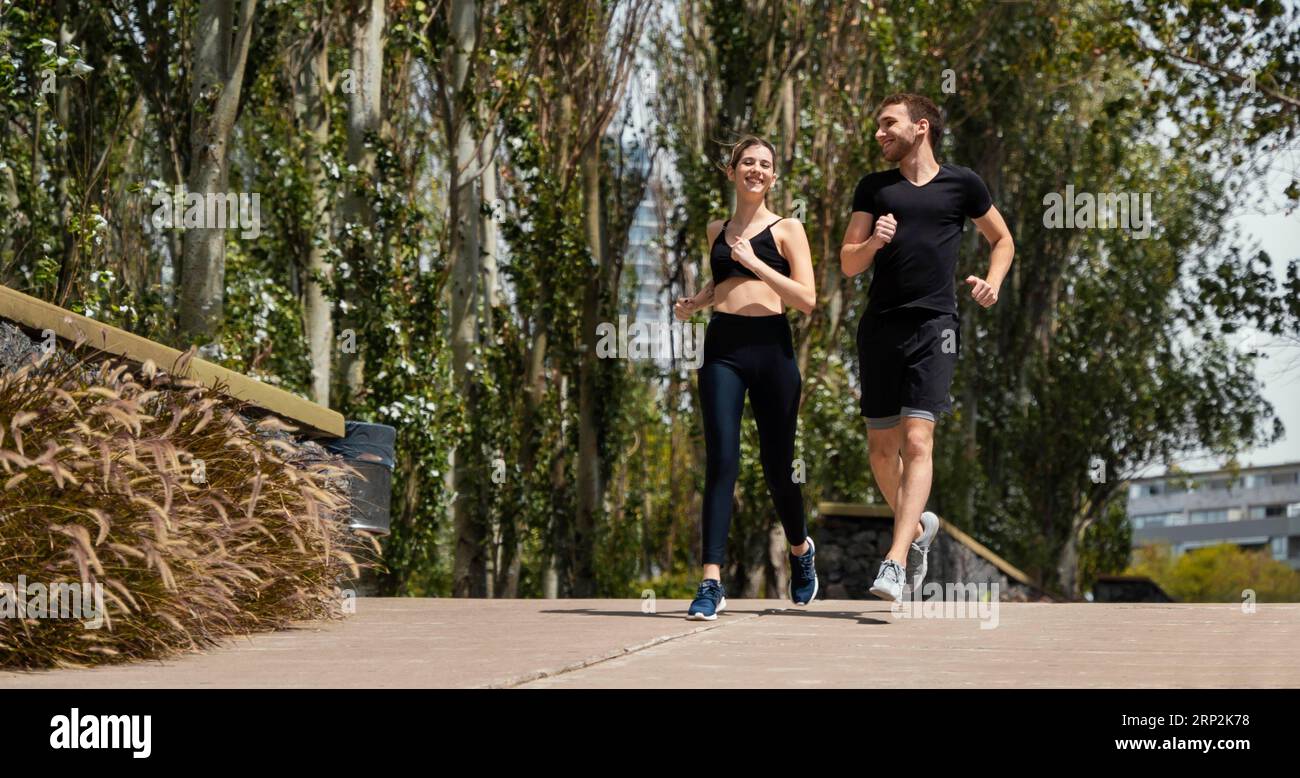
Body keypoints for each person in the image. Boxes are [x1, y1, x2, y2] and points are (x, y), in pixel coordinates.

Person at [839, 94, 1015, 601]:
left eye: (887, 123)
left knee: (918, 441)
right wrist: (873, 242)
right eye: (877, 124)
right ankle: (915, 530)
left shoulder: (963, 185)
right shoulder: (874, 188)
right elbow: (849, 262)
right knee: (880, 449)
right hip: (879, 328)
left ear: (921, 127)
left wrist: (994, 282)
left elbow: (1002, 239)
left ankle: (894, 561)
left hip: (936, 326)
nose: (879, 132)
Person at [674, 136, 817, 620]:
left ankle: (800, 551)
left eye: (766, 165)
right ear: (732, 171)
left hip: (772, 349)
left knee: (778, 469)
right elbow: (724, 284)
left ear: (773, 177)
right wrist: (697, 301)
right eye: (748, 163)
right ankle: (711, 581)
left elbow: (807, 299)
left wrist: (756, 261)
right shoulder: (716, 227)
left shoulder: (788, 228)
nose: (757, 170)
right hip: (724, 349)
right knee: (722, 460)